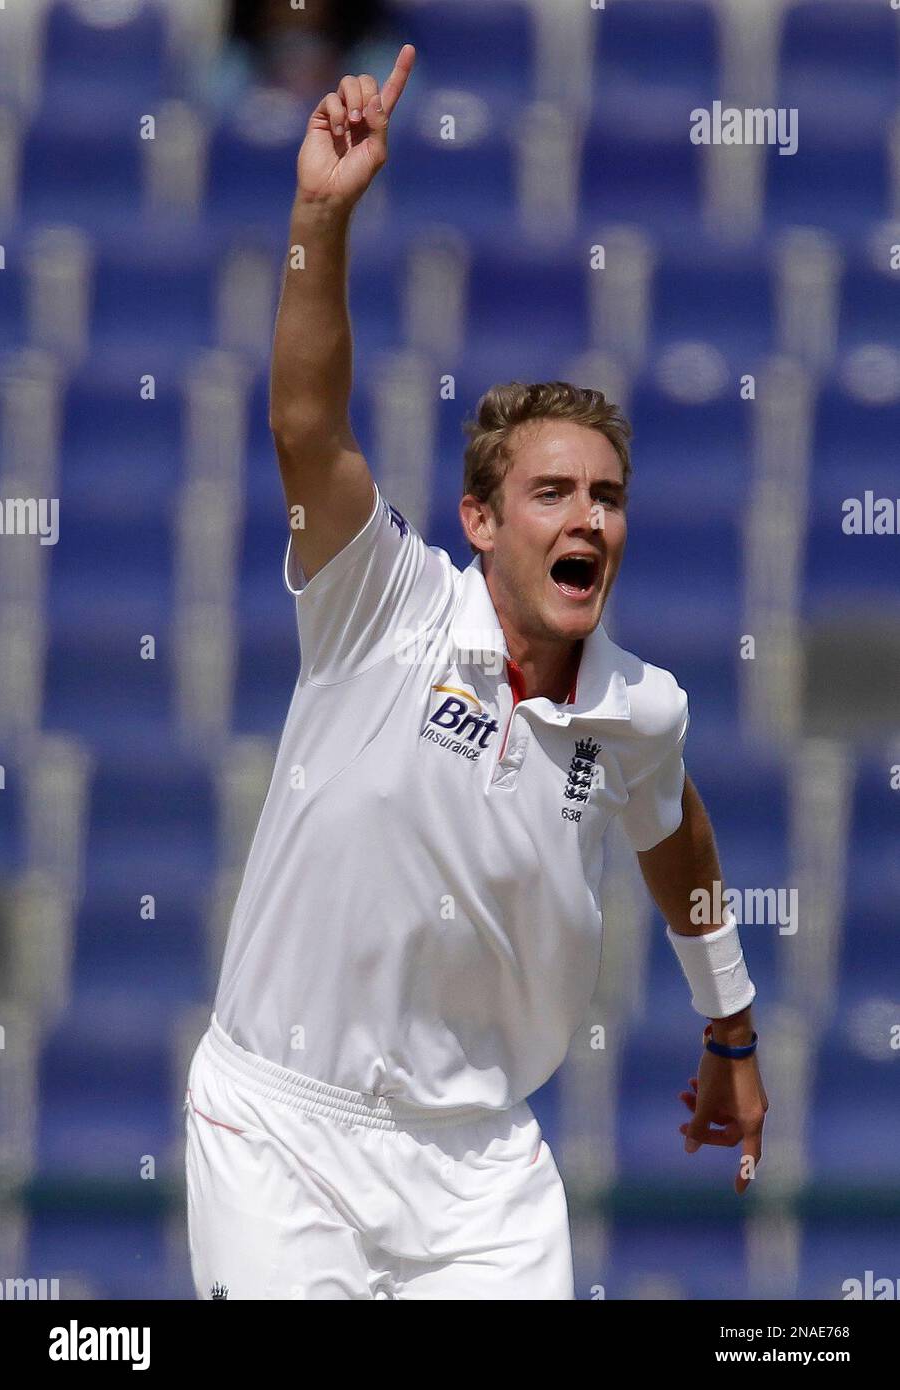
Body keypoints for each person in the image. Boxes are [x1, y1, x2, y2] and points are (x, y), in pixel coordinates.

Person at [184, 44, 768, 1301]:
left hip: (484, 1167)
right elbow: (304, 424)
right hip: (281, 1130)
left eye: (606, 497)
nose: (588, 520)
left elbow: (676, 833)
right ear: (480, 520)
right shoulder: (379, 601)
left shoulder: (637, 708)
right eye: (551, 491)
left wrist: (729, 1024)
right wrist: (318, 220)